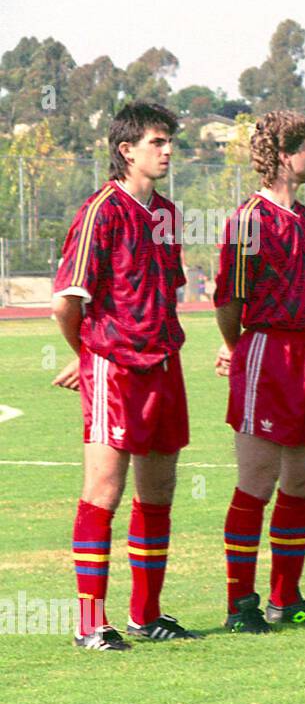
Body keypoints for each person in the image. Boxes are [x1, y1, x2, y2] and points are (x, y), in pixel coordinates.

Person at [50, 101, 198, 649]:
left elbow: (166, 290)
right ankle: (91, 623)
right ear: (126, 149)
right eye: (157, 142)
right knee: (103, 491)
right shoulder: (101, 211)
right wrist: (88, 353)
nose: (166, 151)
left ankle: (147, 613)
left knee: (158, 491)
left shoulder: (168, 214)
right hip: (115, 370)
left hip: (164, 365)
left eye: (169, 142)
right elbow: (67, 303)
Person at [214, 110, 305, 632]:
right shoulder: (249, 221)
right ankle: (240, 604)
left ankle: (285, 599)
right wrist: (237, 349)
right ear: (285, 156)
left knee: (302, 482)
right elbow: (229, 299)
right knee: (256, 482)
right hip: (267, 351)